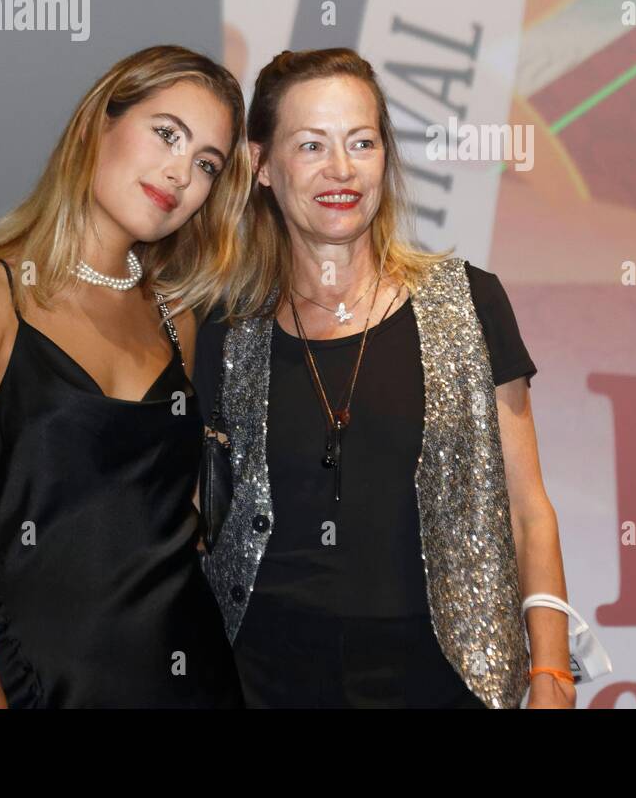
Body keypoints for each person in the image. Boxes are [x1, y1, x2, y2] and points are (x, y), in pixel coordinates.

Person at [194, 47, 574, 709]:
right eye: (311, 145)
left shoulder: (469, 302)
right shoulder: (227, 333)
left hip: (444, 681)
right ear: (261, 165)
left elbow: (527, 507)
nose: (340, 169)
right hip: (265, 681)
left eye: (361, 142)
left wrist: (553, 669)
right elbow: (204, 518)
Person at [0, 45, 253, 708]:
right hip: (30, 682)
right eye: (167, 133)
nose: (181, 171)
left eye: (206, 163)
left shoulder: (175, 317)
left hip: (188, 679)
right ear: (101, 119)